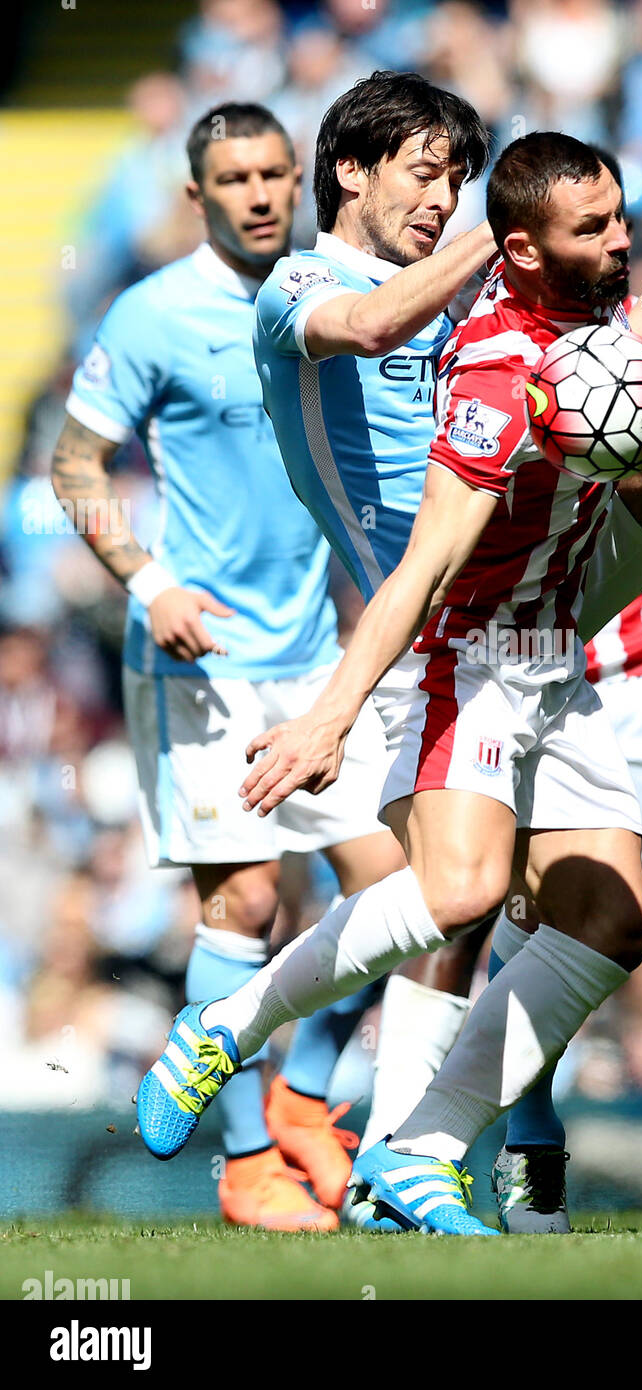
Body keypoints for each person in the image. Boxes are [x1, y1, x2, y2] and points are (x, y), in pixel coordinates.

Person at [135, 128, 642, 1237]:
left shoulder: (601, 338)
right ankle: (231, 1024)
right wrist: (332, 715)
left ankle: (418, 1149)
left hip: (559, 660)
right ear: (522, 247)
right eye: (593, 229)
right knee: (459, 897)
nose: (623, 241)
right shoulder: (490, 372)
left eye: (619, 215)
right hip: (466, 657)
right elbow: (428, 561)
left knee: (608, 922)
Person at [51, 102, 405, 1231]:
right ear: (196, 193)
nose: (257, 193)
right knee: (245, 902)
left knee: (405, 887)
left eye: (271, 173)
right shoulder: (153, 314)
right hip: (197, 661)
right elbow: (75, 464)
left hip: (314, 657)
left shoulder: (321, 300)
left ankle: (305, 1098)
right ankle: (246, 1165)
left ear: (296, 183)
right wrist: (148, 582)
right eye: (233, 177)